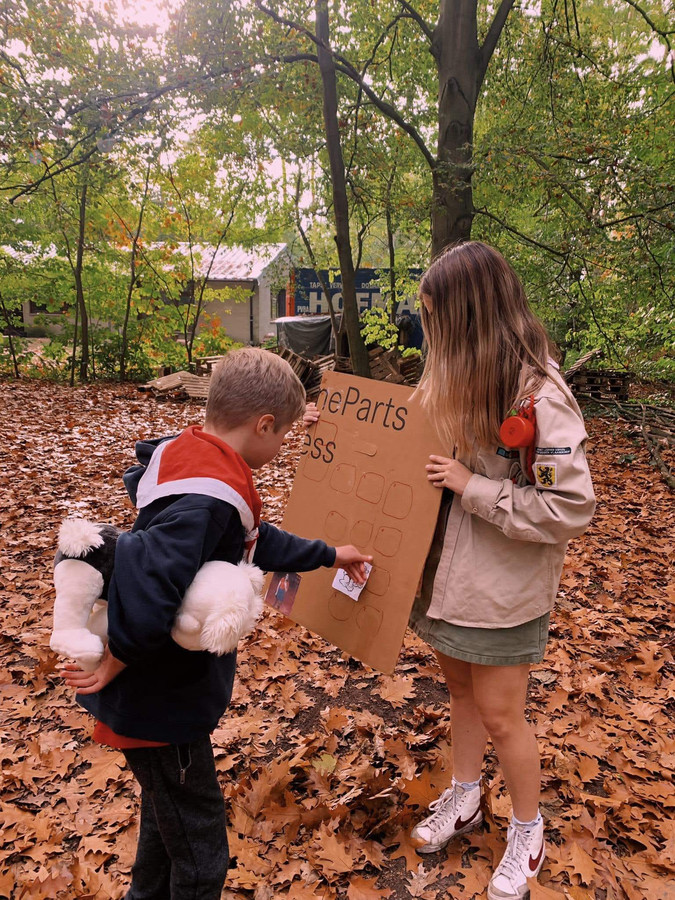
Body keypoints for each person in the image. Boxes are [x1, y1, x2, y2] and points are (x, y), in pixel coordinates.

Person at [62, 347, 371, 900]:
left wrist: (328, 553)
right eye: (283, 436)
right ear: (263, 424)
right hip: (162, 704)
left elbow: (251, 537)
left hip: (160, 699)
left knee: (167, 821)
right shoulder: (206, 502)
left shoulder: (194, 458)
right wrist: (117, 658)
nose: (282, 446)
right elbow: (153, 578)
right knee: (201, 852)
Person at [407, 242, 595, 900]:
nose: (431, 332)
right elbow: (412, 435)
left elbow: (569, 507)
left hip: (500, 589)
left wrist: (473, 487)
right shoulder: (458, 373)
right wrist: (342, 432)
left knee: (501, 715)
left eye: (438, 318)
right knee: (459, 692)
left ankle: (527, 829)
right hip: (446, 577)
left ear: (469, 315)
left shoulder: (541, 397)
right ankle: (464, 798)